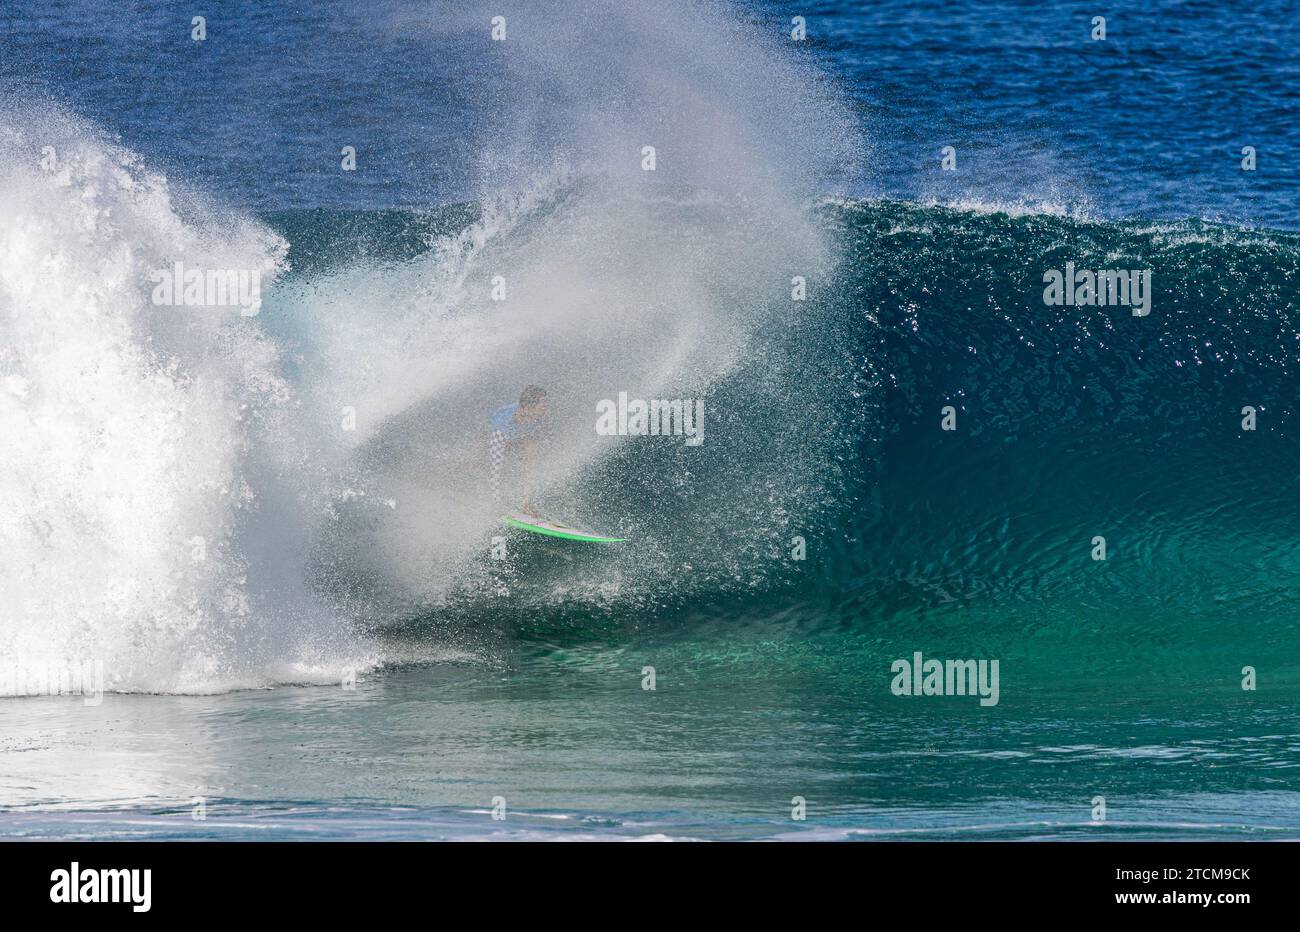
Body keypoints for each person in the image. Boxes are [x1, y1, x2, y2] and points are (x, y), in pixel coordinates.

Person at [488, 385, 547, 517]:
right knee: (496, 465)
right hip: (499, 431)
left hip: (518, 432)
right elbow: (496, 469)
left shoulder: (537, 416)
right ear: (528, 406)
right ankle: (496, 502)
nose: (545, 407)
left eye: (545, 403)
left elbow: (529, 464)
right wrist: (497, 506)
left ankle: (526, 503)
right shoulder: (503, 422)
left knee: (530, 463)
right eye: (542, 404)